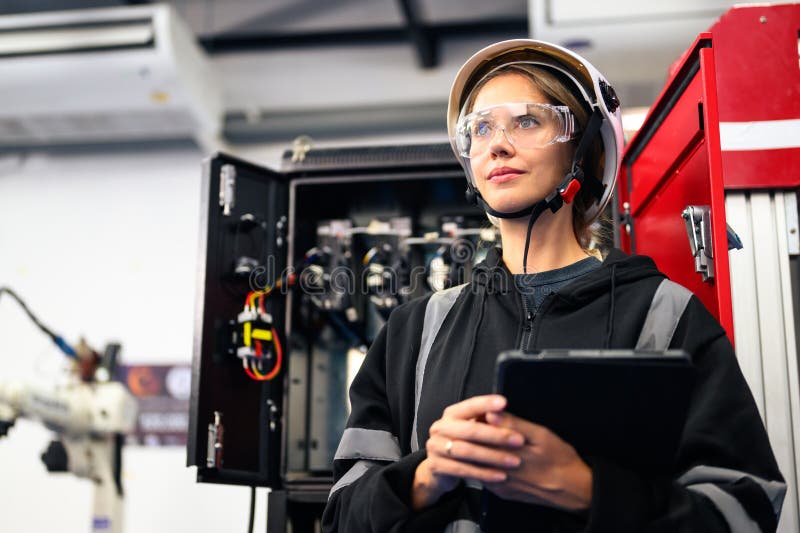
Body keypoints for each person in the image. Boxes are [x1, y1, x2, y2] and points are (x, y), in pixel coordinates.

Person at [322, 39, 785, 532]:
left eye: (527, 121)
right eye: (480, 128)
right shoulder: (413, 332)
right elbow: (342, 517)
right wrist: (424, 476)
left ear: (583, 150)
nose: (497, 143)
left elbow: (746, 511)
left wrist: (588, 490)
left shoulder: (665, 315)